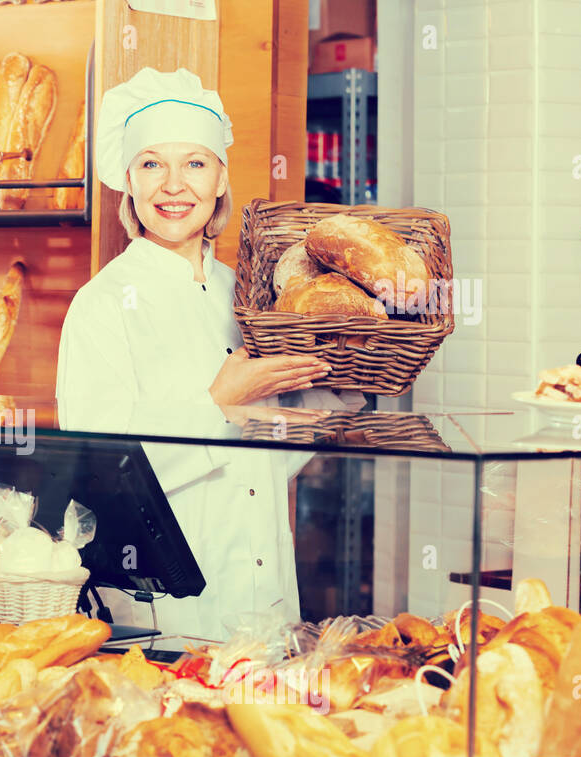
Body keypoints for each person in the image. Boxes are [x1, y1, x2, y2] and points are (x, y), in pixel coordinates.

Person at [56, 68, 357, 649]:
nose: (174, 186)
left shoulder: (247, 294)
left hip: (266, 591)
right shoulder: (101, 306)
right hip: (165, 609)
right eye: (151, 164)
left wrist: (337, 386)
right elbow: (97, 476)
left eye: (194, 163)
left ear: (221, 178)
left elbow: (265, 459)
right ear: (128, 182)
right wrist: (219, 402)